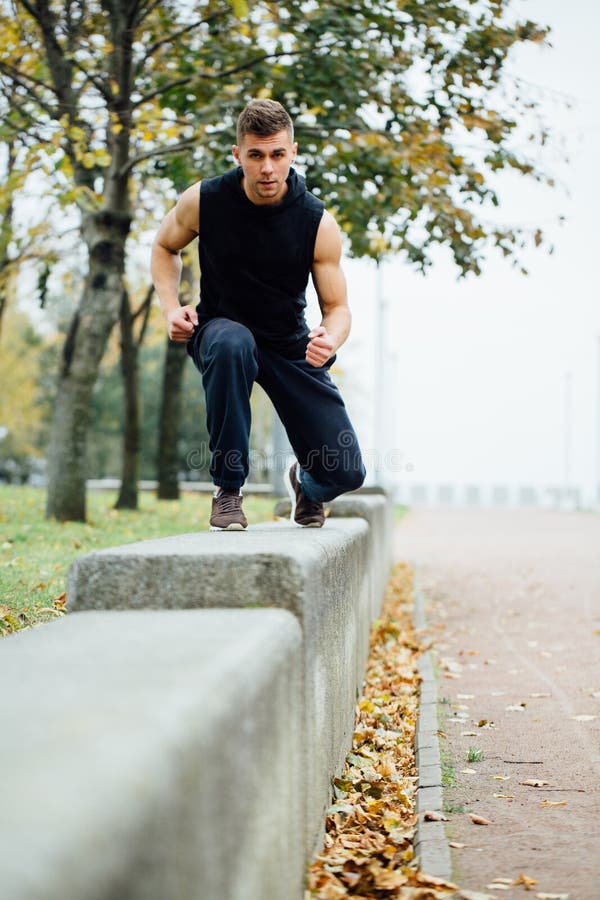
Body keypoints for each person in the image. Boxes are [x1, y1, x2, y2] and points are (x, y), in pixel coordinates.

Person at [151, 98, 365, 531]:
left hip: (288, 342)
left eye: (277, 155)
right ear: (238, 155)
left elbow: (337, 308)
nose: (267, 168)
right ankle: (228, 492)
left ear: (293, 152)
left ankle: (307, 485)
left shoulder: (316, 221)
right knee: (233, 343)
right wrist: (171, 308)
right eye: (256, 155)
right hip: (221, 329)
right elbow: (164, 247)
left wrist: (331, 339)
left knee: (346, 471)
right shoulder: (204, 201)